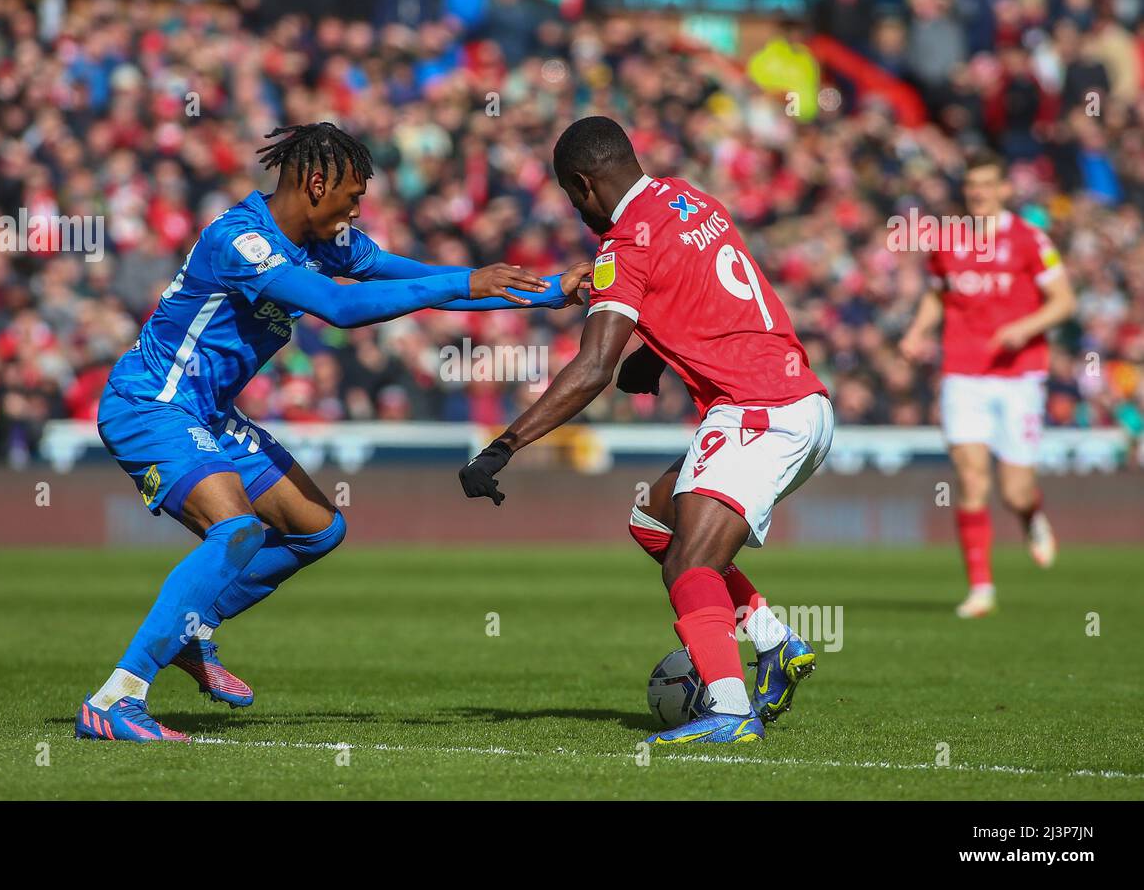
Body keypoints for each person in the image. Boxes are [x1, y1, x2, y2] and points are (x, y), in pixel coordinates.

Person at [78, 121, 588, 741]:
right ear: (316, 184)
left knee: (318, 530)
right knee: (236, 529)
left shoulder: (328, 238)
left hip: (206, 413)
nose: (357, 208)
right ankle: (117, 697)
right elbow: (343, 309)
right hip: (150, 403)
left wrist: (547, 293)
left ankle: (189, 630)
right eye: (351, 195)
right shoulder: (240, 240)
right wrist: (463, 279)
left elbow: (416, 284)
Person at [459, 117, 833, 745]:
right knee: (654, 523)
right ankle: (775, 641)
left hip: (758, 409)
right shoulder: (688, 198)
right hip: (799, 403)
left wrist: (503, 447)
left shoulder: (624, 243)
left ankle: (731, 710)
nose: (578, 213)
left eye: (572, 198)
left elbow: (591, 368)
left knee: (689, 561)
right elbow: (700, 287)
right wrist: (652, 355)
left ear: (583, 185)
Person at [900, 152, 1075, 618]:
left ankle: (1031, 515)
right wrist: (918, 331)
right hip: (963, 373)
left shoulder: (1028, 239)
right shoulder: (948, 241)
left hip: (1020, 376)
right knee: (972, 478)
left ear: (1002, 189)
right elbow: (937, 295)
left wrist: (1025, 327)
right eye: (971, 185)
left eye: (986, 184)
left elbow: (1063, 301)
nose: (978, 193)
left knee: (1014, 490)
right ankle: (981, 588)